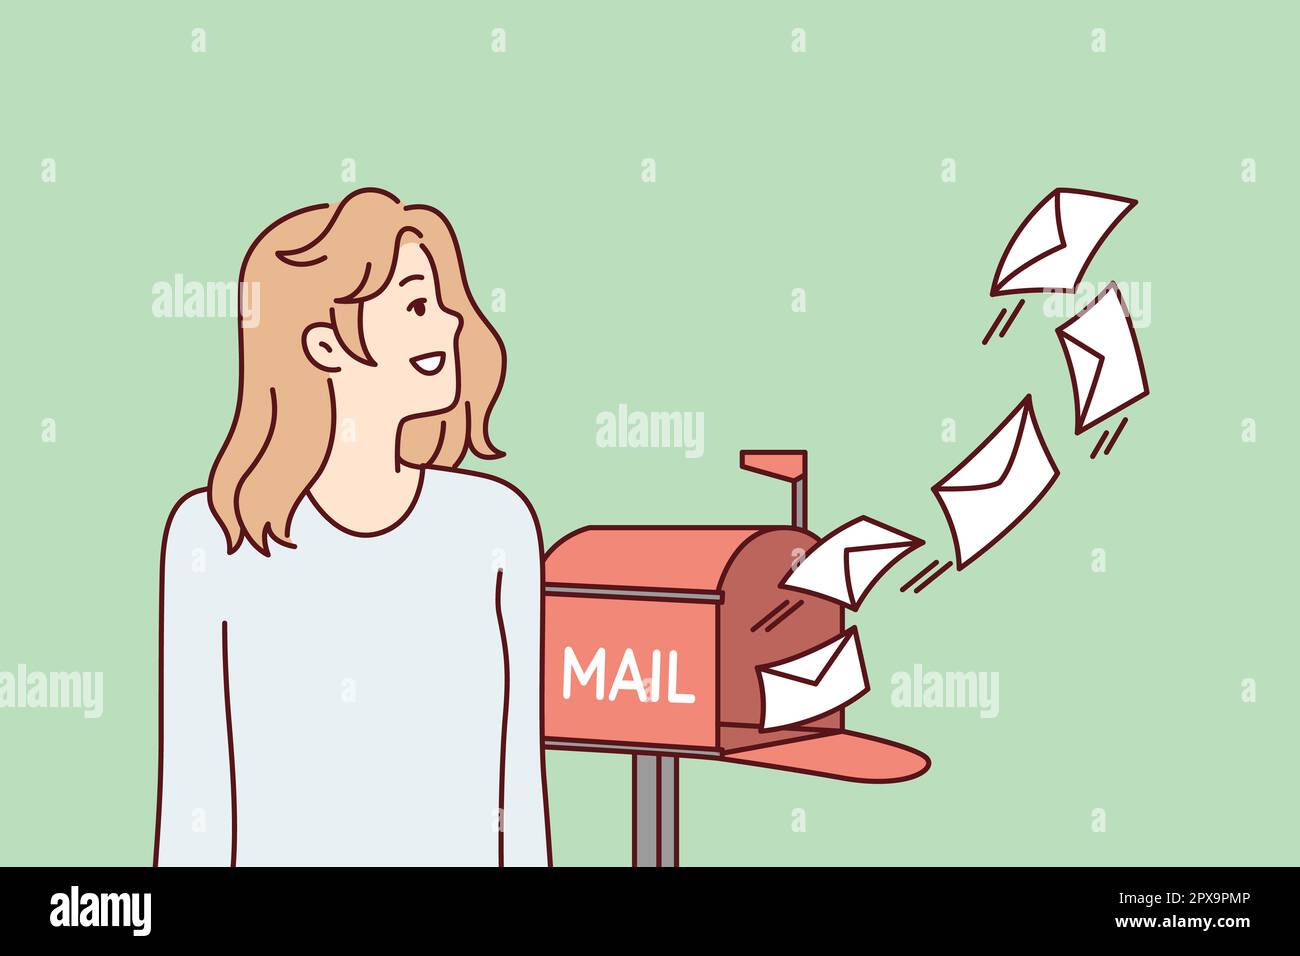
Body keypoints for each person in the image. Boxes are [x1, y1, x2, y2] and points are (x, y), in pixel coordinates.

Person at [154, 188, 550, 866]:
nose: (450, 326)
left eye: (446, 305)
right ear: (324, 343)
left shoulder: (497, 527)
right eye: (418, 305)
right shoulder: (215, 538)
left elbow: (519, 790)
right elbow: (195, 801)